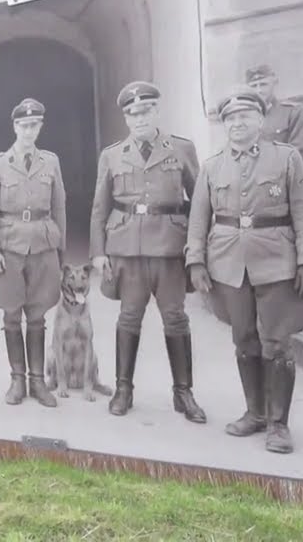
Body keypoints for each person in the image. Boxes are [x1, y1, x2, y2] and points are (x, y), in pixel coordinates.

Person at [184, 89, 303, 454]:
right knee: (244, 339)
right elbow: (198, 219)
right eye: (230, 119)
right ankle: (255, 413)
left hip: (277, 261)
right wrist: (195, 262)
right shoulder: (213, 166)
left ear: (261, 121)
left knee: (276, 342)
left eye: (245, 117)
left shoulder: (287, 159)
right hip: (229, 264)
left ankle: (279, 425)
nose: (237, 124)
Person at [89, 81, 207, 423]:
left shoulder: (181, 149)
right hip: (128, 248)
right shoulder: (112, 155)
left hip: (170, 247)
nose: (139, 119)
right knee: (129, 316)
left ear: (157, 111)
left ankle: (183, 393)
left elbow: (199, 202)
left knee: (175, 318)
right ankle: (123, 389)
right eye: (132, 113)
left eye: (145, 111)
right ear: (126, 118)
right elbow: (100, 206)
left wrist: (197, 248)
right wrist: (99, 252)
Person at [0, 98, 66, 407]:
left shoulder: (51, 162)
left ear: (40, 127)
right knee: (12, 314)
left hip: (43, 246)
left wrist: (61, 252)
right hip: (10, 247)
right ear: (15, 127)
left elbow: (59, 208)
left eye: (35, 125)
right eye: (24, 126)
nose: (29, 131)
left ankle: (38, 382)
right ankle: (17, 380)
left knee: (39, 314)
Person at [245, 64, 303, 188]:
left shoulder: (292, 112)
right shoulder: (243, 117)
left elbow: (300, 153)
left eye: (263, 84)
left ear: (274, 83)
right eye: (254, 86)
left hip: (288, 176)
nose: (259, 90)